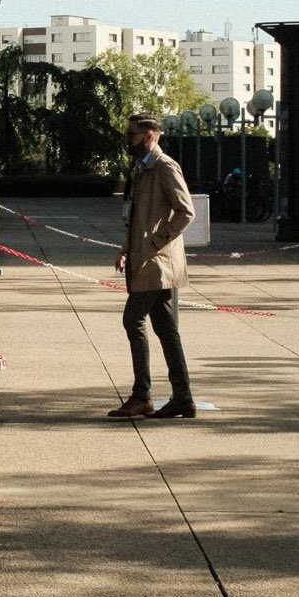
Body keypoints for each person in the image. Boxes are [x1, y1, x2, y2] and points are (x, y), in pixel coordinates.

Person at [110, 113, 198, 419]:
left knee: (133, 321)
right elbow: (136, 219)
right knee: (165, 329)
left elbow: (186, 212)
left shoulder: (163, 166)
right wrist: (125, 249)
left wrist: (155, 244)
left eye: (132, 134)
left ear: (149, 136)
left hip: (157, 265)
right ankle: (183, 398)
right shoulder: (140, 169)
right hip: (145, 262)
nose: (127, 139)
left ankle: (141, 396)